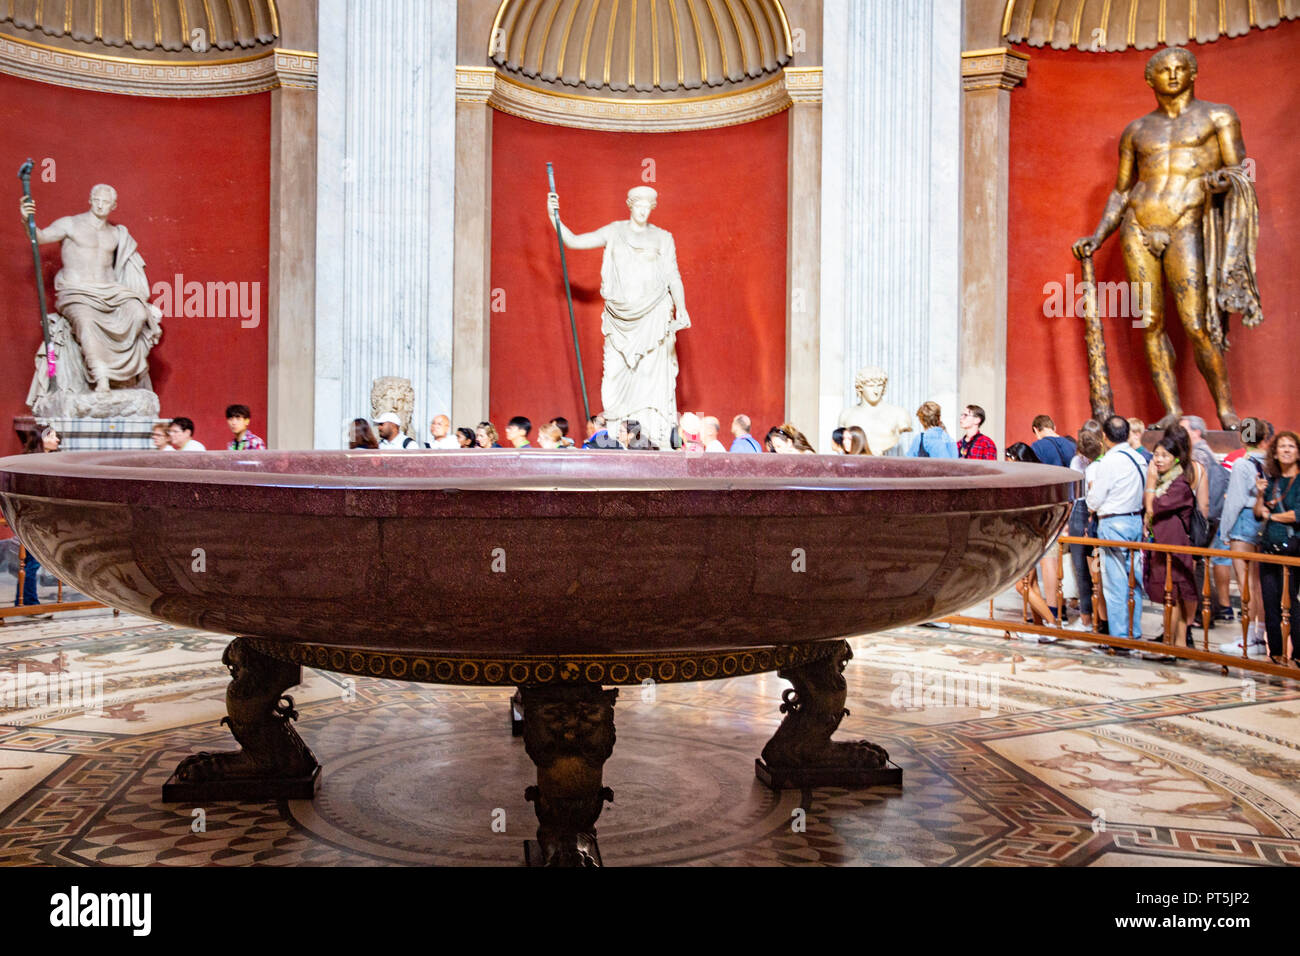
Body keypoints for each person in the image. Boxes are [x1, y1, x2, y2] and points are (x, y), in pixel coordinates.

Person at [1072, 47, 1262, 430]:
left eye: (1181, 68)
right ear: (1150, 79)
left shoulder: (1217, 115)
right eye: (1164, 70)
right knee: (1151, 321)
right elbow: (1122, 190)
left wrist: (1219, 181)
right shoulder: (1137, 130)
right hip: (1138, 224)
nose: (1173, 75)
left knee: (1196, 323)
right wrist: (1098, 235)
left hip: (1186, 219)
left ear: (1193, 74)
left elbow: (1238, 168)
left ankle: (1226, 410)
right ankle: (1172, 409)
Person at [547, 186, 689, 449]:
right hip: (619, 317)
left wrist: (681, 307)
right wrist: (555, 218)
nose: (643, 211)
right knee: (613, 375)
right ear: (629, 205)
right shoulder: (615, 231)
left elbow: (672, 275)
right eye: (639, 206)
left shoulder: (663, 238)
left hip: (654, 312)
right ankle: (616, 432)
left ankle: (651, 434)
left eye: (649, 206)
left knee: (650, 375)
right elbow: (576, 241)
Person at [18, 184, 162, 394]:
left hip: (110, 291)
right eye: (97, 200)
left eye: (105, 202)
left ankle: (121, 374)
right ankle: (101, 376)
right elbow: (39, 237)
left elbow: (126, 264)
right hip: (77, 291)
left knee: (139, 313)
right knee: (86, 323)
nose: (100, 205)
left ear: (113, 206)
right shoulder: (71, 224)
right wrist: (26, 219)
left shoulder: (116, 234)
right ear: (90, 199)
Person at [1085, 415, 1148, 643]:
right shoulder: (1139, 458)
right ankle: (1135, 631)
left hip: (1113, 522)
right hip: (1135, 520)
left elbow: (1095, 499)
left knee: (1115, 583)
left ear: (1105, 436)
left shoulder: (1109, 461)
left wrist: (1091, 503)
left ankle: (1119, 637)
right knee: (1135, 581)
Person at [1143, 434, 1202, 657]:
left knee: (1173, 594)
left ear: (1176, 459)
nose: (1158, 460)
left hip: (1174, 548)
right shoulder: (1164, 480)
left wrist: (1149, 483)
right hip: (1162, 544)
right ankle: (1175, 645)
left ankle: (1173, 645)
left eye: (1164, 456)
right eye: (1156, 455)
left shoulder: (1179, 484)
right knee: (1171, 596)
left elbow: (1153, 508)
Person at [1217, 417, 1272, 655]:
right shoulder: (1270, 462)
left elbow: (1235, 501)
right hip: (1263, 519)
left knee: (1244, 582)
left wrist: (1225, 531)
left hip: (1243, 520)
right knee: (1257, 582)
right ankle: (1259, 634)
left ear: (1242, 436)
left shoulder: (1242, 463)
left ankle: (1248, 637)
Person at [1253, 430, 1300, 664]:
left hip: (1291, 548)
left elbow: (1297, 515)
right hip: (1268, 546)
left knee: (1290, 600)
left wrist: (1272, 517)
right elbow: (1257, 513)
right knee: (1270, 601)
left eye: (1291, 446)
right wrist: (1260, 495)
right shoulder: (1271, 480)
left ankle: (1299, 651)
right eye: (1282, 446)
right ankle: (1277, 653)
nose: (1286, 450)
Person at [1181, 414, 1231, 623]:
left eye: (1183, 430)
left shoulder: (1198, 455)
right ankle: (1208, 608)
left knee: (1196, 563)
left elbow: (1193, 486)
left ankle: (1202, 611)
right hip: (1210, 515)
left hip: (1202, 517)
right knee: (1199, 562)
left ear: (1196, 432)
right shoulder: (1205, 452)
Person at [12, 426, 60, 617]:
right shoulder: (35, 463)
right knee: (31, 562)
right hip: (33, 517)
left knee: (33, 562)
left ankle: (22, 601)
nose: (57, 440)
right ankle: (29, 604)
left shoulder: (46, 461)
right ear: (41, 439)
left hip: (41, 517)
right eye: (52, 436)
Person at [1067, 428, 1104, 632]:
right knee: (1091, 570)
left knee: (1085, 569)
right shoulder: (1102, 463)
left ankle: (1088, 618)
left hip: (1085, 511)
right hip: (1092, 512)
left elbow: (1091, 495)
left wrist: (1088, 519)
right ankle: (1093, 617)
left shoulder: (1092, 468)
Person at [837, 366, 912, 454]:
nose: (876, 391)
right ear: (860, 387)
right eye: (870, 386)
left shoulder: (900, 414)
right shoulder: (847, 415)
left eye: (880, 385)